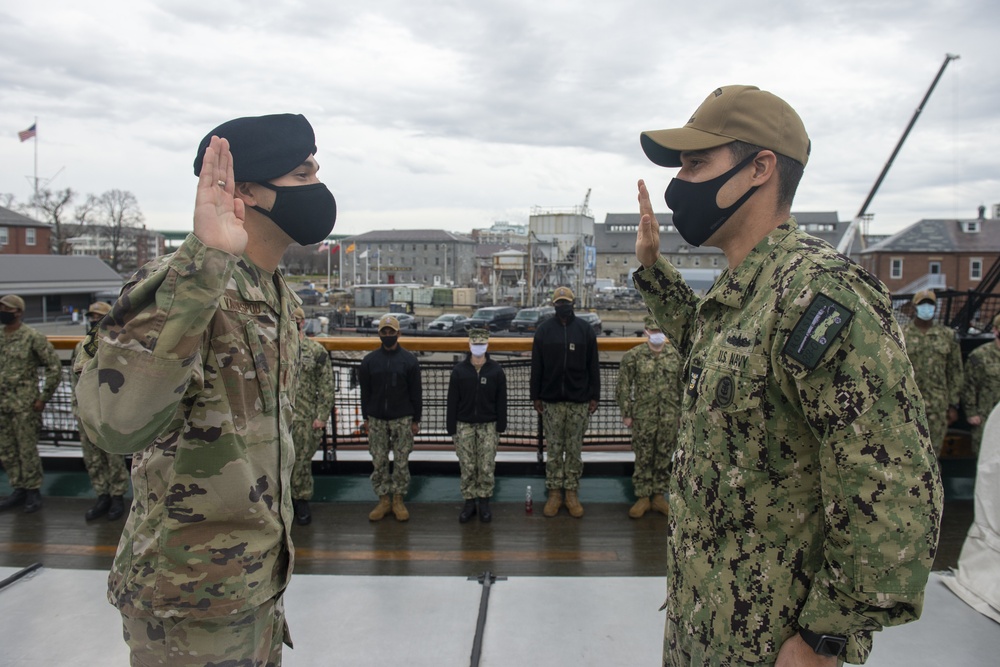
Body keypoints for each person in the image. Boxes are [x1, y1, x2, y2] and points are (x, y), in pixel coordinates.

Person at [633, 85, 942, 665]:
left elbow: (894, 485)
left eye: (696, 163)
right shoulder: (747, 289)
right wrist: (652, 271)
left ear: (760, 169)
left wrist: (825, 637)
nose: (679, 182)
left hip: (771, 643)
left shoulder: (819, 294)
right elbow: (713, 350)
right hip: (705, 622)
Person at [75, 113, 337, 665]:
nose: (317, 185)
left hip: (254, 584)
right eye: (302, 173)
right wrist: (205, 262)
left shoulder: (274, 293)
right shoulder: (186, 284)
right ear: (247, 191)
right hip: (186, 599)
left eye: (316, 170)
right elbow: (116, 425)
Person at [529, 286, 599, 518]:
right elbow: (537, 366)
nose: (563, 306)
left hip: (579, 400)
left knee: (574, 449)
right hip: (551, 401)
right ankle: (554, 493)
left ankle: (571, 492)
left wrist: (595, 395)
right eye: (559, 303)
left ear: (573, 304)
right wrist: (535, 395)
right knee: (554, 449)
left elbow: (593, 365)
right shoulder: (544, 331)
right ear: (554, 305)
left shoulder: (585, 330)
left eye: (566, 303)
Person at [614, 315, 682, 519]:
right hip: (643, 417)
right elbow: (623, 387)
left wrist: (682, 414)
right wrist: (627, 413)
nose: (656, 334)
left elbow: (683, 387)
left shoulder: (676, 356)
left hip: (669, 416)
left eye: (659, 331)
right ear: (646, 332)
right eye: (653, 331)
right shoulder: (634, 356)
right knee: (643, 457)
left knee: (664, 456)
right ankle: (643, 497)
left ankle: (659, 496)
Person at [0, 293, 61, 514]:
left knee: (27, 450)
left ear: (18, 312)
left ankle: (33, 491)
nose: (2, 312)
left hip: (24, 405)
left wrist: (43, 397)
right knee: (7, 450)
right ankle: (18, 489)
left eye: (6, 308)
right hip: (2, 405)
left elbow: (54, 367)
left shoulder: (32, 337)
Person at [70, 301, 130, 521]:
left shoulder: (119, 345)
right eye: (92, 317)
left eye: (99, 317)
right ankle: (102, 495)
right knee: (93, 457)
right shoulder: (81, 347)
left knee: (113, 457)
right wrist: (76, 406)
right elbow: (74, 379)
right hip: (86, 410)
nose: (94, 320)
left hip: (109, 412)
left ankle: (117, 496)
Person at [359, 314, 422, 522]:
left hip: (402, 418)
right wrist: (366, 417)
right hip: (376, 419)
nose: (388, 335)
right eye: (384, 332)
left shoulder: (409, 361)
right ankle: (383, 499)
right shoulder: (369, 362)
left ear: (398, 334)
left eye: (391, 332)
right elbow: (365, 392)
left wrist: (416, 420)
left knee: (401, 462)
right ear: (379, 334)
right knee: (379, 461)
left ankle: (398, 499)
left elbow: (416, 393)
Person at [446, 328, 507, 523]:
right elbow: (452, 400)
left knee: (487, 465)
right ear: (469, 345)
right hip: (464, 424)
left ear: (487, 345)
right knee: (467, 465)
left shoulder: (496, 371)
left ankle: (485, 502)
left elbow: (501, 400)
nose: (478, 347)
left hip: (489, 424)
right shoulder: (459, 371)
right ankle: (469, 502)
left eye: (482, 344)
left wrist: (501, 425)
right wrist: (451, 426)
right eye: (475, 344)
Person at [902, 289, 963, 455]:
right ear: (914, 307)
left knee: (934, 453)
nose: (926, 308)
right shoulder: (902, 334)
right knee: (910, 452)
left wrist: (953, 405)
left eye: (930, 304)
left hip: (938, 405)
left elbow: (955, 371)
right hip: (909, 403)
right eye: (922, 304)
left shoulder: (947, 335)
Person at [291, 306, 336, 526]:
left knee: (301, 462)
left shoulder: (316, 351)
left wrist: (321, 416)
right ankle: (282, 503)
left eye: (295, 321)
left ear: (302, 323)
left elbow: (326, 386)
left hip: (305, 417)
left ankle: (301, 500)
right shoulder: (274, 349)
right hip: (279, 418)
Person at [961, 313, 1000, 455]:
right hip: (986, 417)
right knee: (986, 458)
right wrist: (971, 413)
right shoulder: (980, 355)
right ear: (995, 330)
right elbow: (969, 385)